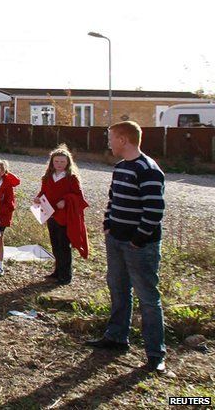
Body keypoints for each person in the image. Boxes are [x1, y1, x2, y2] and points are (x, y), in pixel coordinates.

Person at [85, 121, 168, 375]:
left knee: (148, 298)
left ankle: (155, 354)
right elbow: (113, 198)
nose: (108, 143)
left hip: (139, 246)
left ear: (123, 140)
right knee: (118, 289)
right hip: (116, 240)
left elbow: (154, 211)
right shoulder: (120, 167)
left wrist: (138, 239)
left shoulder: (149, 169)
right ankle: (117, 337)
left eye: (111, 138)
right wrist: (108, 224)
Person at [34, 145, 88, 285]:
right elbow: (43, 192)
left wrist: (66, 200)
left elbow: (79, 197)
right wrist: (38, 198)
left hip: (65, 217)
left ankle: (65, 276)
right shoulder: (47, 177)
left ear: (68, 163)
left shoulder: (72, 178)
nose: (59, 164)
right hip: (50, 215)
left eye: (62, 162)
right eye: (56, 161)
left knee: (64, 246)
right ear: (52, 162)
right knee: (55, 245)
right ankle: (57, 271)